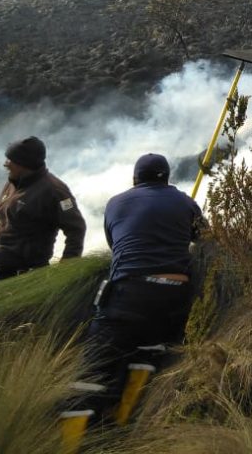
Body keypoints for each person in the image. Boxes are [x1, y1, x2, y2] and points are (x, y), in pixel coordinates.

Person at [84, 153, 203, 408]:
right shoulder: (186, 202)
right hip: (175, 297)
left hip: (128, 293)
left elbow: (115, 247)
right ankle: (128, 424)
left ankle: (75, 437)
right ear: (168, 178)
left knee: (93, 370)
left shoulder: (116, 203)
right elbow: (207, 239)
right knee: (149, 356)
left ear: (135, 179)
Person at [0, 136, 86, 284]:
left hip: (25, 276)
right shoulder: (13, 182)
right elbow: (5, 220)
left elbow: (76, 229)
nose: (5, 164)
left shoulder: (55, 191)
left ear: (24, 164)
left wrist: (66, 268)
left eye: (10, 160)